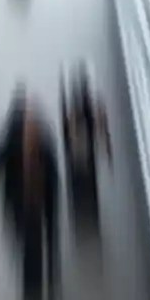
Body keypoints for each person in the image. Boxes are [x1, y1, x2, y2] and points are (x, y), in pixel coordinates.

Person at [0, 89, 60, 300]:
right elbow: (53, 171)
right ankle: (40, 299)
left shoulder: (10, 139)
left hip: (29, 204)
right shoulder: (41, 137)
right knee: (34, 253)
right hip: (29, 205)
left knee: (34, 253)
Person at [59, 65, 111, 228]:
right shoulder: (92, 105)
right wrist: (107, 149)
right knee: (88, 181)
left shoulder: (73, 108)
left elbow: (70, 130)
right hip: (86, 152)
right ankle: (89, 215)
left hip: (78, 153)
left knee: (78, 183)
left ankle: (81, 215)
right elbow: (102, 127)